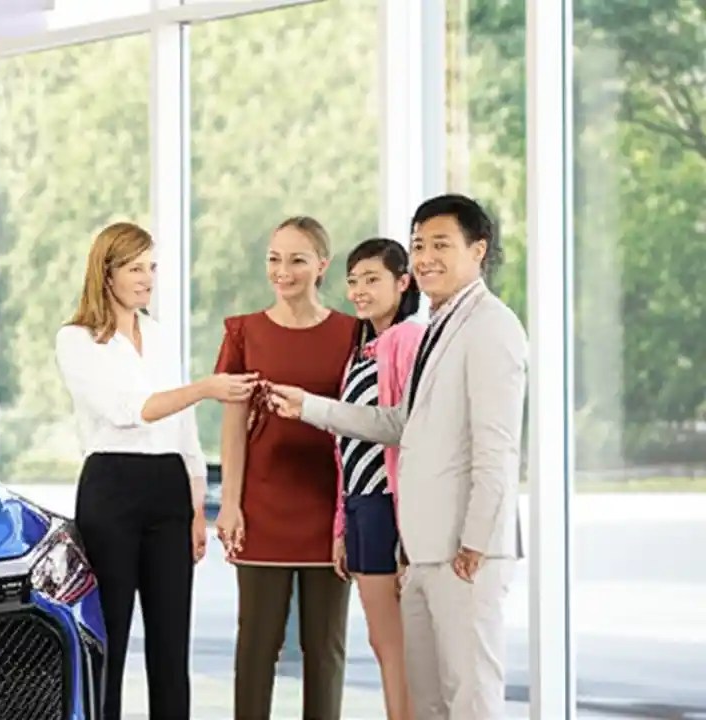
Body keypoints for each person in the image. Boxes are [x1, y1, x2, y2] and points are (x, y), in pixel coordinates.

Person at [269, 194, 527, 720]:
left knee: (471, 696)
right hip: (423, 548)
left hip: (464, 551)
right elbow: (397, 424)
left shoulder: (491, 326)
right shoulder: (437, 326)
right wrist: (310, 407)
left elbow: (496, 446)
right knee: (426, 699)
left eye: (440, 245)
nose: (426, 257)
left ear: (478, 250)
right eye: (419, 246)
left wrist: (476, 541)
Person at [55, 221, 258, 720]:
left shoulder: (162, 337)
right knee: (109, 637)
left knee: (171, 640)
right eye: (135, 268)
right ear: (106, 273)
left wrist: (196, 507)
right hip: (112, 488)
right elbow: (128, 410)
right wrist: (206, 388)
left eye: (151, 267)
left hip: (169, 488)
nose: (147, 279)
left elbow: (183, 430)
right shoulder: (77, 339)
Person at [212, 216, 359, 720]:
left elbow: (360, 423)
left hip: (328, 508)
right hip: (261, 504)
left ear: (322, 265)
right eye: (274, 259)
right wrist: (230, 504)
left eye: (297, 260)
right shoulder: (244, 332)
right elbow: (233, 427)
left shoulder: (352, 334)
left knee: (326, 649)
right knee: (256, 644)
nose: (283, 271)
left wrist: (349, 515)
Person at [330, 238, 424, 720]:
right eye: (353, 281)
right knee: (384, 640)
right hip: (363, 506)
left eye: (372, 279)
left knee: (399, 644)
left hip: (391, 506)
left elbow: (411, 434)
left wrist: (410, 536)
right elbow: (346, 446)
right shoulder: (361, 351)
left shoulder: (408, 339)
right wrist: (342, 526)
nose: (359, 291)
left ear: (402, 282)